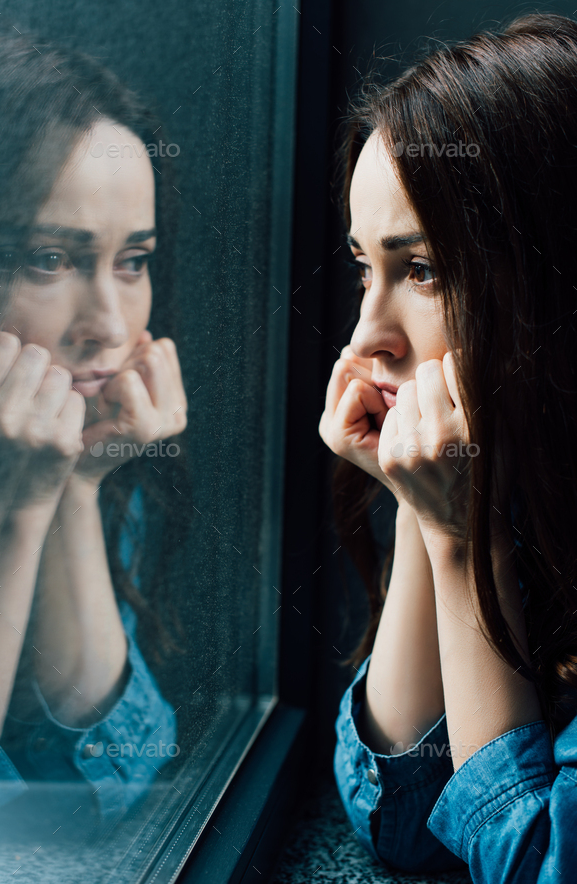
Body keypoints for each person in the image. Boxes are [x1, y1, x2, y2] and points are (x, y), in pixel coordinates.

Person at [320, 11, 577, 881]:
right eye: (364, 268)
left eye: (422, 270)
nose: (366, 338)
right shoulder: (527, 490)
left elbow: (537, 866)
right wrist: (430, 513)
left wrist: (466, 546)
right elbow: (402, 822)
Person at [0, 26, 188, 823]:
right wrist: (11, 514)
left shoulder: (85, 460)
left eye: (132, 261)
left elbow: (108, 785)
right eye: (48, 258)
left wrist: (70, 489)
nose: (107, 323)